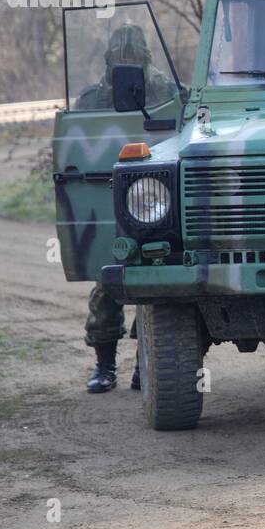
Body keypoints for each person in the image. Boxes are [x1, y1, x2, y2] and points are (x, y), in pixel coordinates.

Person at [74, 23, 176, 393]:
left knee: (156, 288)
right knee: (107, 286)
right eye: (122, 59)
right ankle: (104, 365)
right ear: (109, 60)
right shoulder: (91, 101)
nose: (127, 64)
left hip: (157, 201)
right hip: (107, 196)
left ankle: (145, 365)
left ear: (146, 58)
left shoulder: (168, 94)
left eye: (133, 58)